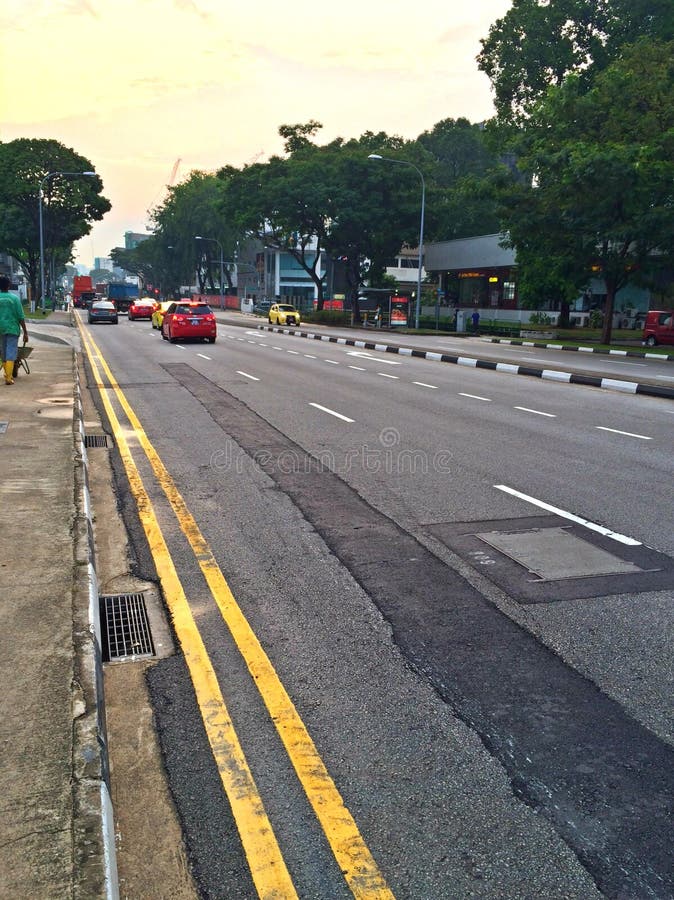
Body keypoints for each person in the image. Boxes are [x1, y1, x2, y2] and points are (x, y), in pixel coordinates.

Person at [0, 276, 29, 385]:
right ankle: (8, 377)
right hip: (12, 329)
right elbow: (20, 317)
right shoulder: (14, 299)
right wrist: (25, 332)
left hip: (0, 329)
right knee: (11, 352)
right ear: (8, 285)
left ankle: (7, 373)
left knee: (3, 352)